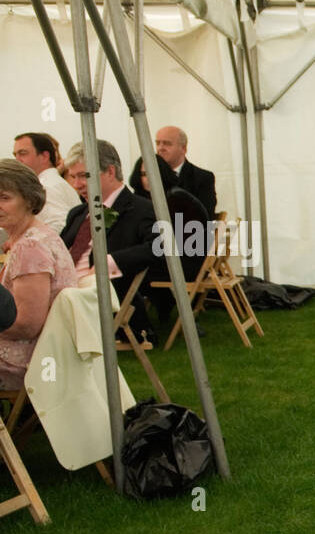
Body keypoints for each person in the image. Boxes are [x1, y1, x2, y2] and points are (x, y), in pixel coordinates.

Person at [60, 141, 164, 329]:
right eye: (73, 177)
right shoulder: (77, 213)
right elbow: (58, 250)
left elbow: (158, 248)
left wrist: (108, 262)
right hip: (63, 290)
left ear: (110, 172)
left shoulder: (143, 209)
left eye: (84, 176)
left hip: (102, 296)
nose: (76, 185)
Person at [0, 159, 78, 390]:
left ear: (29, 200)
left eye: (4, 198)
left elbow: (26, 326)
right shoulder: (34, 236)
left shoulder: (31, 247)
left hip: (28, 361)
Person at [134, 153, 211, 328]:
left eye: (152, 173)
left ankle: (140, 320)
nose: (147, 179)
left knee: (130, 269)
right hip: (172, 258)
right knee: (132, 263)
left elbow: (183, 242)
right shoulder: (153, 199)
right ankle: (163, 305)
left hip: (188, 262)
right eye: (144, 174)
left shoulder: (176, 199)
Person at [131, 126, 217, 218]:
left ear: (183, 148)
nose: (160, 148)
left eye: (167, 144)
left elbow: (205, 215)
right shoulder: (148, 175)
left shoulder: (202, 177)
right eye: (157, 143)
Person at [13, 132, 82, 233]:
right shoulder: (51, 183)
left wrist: (27, 240)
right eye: (15, 155)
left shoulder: (47, 187)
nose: (17, 160)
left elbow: (59, 225)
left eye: (23, 153)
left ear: (45, 156)